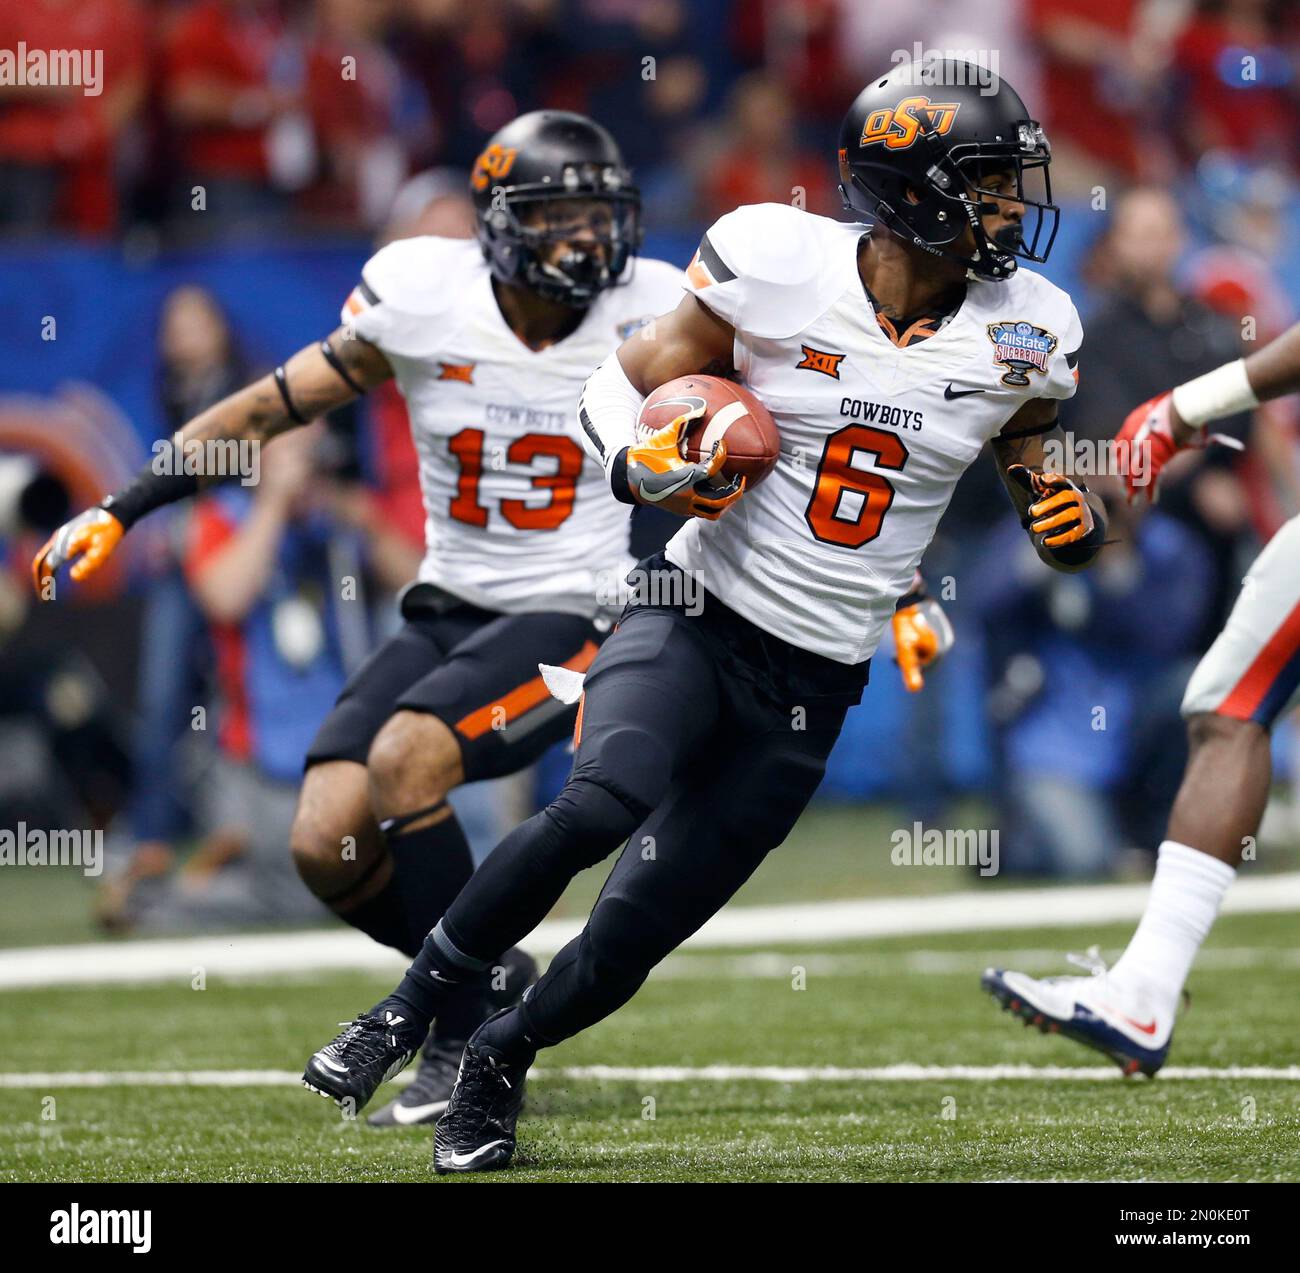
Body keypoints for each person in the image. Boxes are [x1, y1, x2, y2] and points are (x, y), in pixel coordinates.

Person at [298, 60, 1107, 1174]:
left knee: (633, 933)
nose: (1015, 205)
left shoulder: (1032, 327)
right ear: (909, 191)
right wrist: (637, 462)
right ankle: (403, 1010)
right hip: (693, 609)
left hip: (818, 674)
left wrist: (1062, 509)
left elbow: (1031, 450)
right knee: (597, 804)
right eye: (988, 181)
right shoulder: (777, 265)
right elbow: (614, 381)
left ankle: (498, 1058)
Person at [31, 111, 685, 1127]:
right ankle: (488, 970)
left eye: (597, 217)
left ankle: (460, 1040)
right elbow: (260, 411)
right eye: (557, 219)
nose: (586, 243)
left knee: (406, 761)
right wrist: (123, 507)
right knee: (323, 836)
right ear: (499, 229)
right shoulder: (423, 300)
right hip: (447, 606)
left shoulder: (658, 313)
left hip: (578, 610)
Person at [983, 316, 1300, 1076]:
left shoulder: (1171, 553)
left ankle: (1146, 987)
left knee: (1229, 707)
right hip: (1068, 749)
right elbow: (994, 605)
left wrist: (1179, 408)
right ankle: (1144, 985)